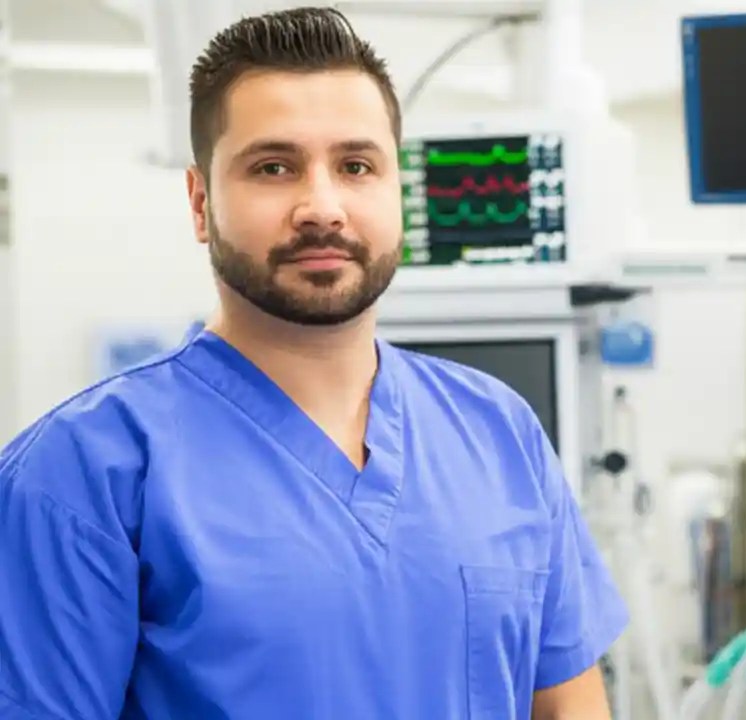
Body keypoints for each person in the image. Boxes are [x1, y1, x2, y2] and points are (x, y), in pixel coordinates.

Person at [0, 7, 628, 719]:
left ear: (397, 192)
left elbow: (570, 704)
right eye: (274, 167)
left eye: (356, 166)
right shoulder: (82, 473)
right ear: (201, 203)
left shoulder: (499, 434)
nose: (321, 206)